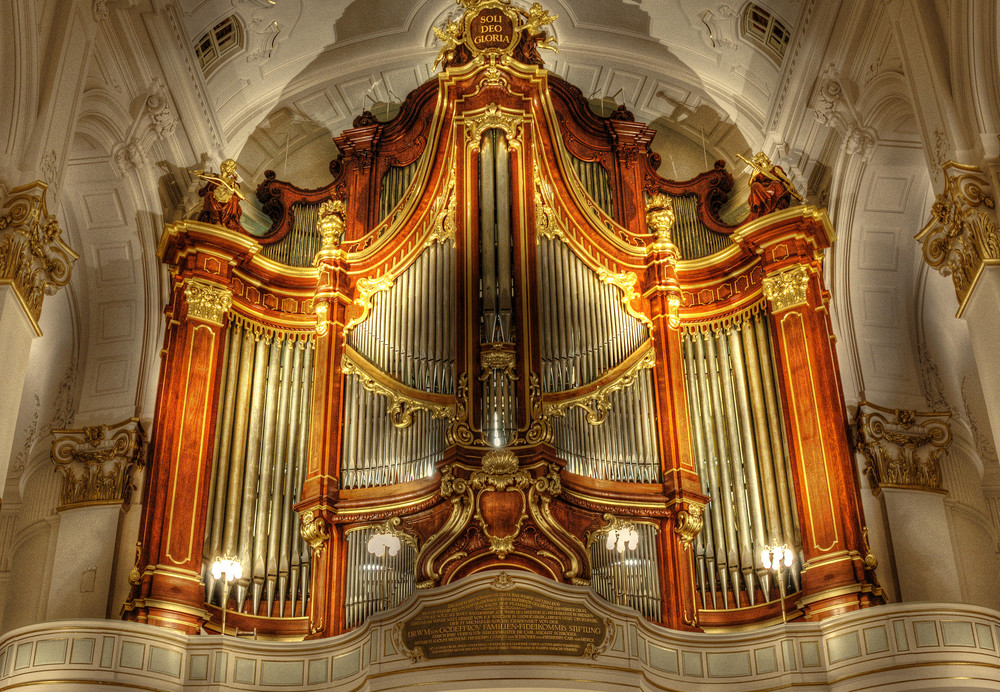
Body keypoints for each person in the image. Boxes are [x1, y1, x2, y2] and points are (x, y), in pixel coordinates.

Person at [194, 158, 244, 231]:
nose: (231, 169)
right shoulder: (216, 177)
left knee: (234, 199)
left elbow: (242, 197)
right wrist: (201, 174)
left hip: (227, 201)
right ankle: (216, 219)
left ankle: (224, 222)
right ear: (224, 166)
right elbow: (205, 177)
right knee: (209, 194)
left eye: (233, 168)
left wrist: (233, 189)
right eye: (230, 166)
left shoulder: (233, 182)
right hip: (215, 199)